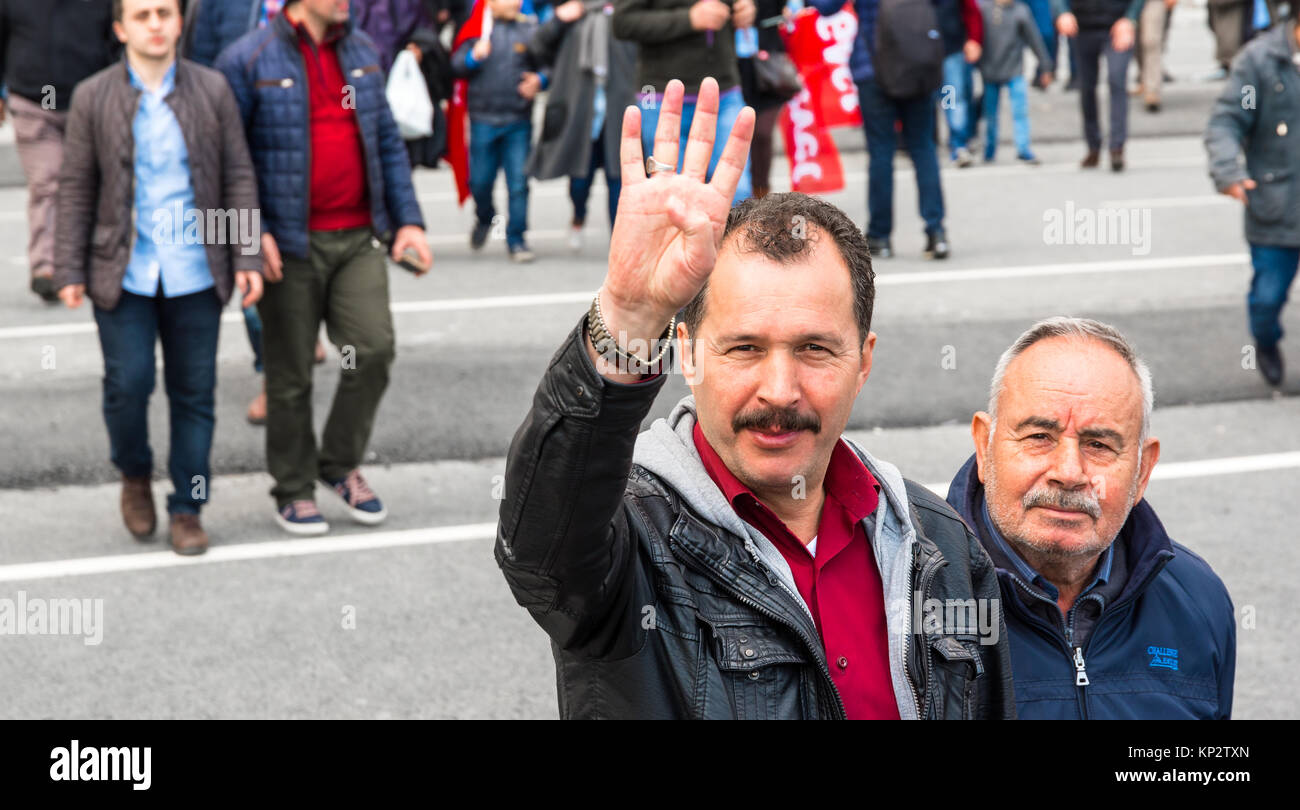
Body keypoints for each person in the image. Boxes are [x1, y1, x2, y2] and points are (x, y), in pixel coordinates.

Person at [495, 77, 1015, 719]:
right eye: (744, 348)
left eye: (815, 350)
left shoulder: (943, 548)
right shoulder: (628, 543)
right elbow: (540, 548)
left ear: (864, 362)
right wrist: (628, 318)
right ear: (685, 352)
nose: (779, 390)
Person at [53, 0, 264, 555]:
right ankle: (135, 474)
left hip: (196, 271)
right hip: (122, 273)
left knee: (194, 394)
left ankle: (188, 506)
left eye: (164, 13)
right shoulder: (92, 96)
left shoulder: (212, 89)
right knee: (129, 384)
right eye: (142, 14)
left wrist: (246, 255)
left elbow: (238, 173)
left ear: (179, 23)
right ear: (121, 27)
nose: (155, 24)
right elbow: (75, 185)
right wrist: (68, 266)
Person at [946, 318, 1236, 719]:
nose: (1069, 472)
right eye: (1038, 437)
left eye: (1098, 445)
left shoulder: (1198, 600)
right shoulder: (908, 601)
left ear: (1142, 471)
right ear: (984, 446)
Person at [217, 0, 432, 535]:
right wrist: (248, 236)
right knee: (289, 376)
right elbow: (229, 158)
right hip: (286, 245)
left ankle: (337, 462)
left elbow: (385, 140)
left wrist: (408, 221)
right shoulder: (247, 58)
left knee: (373, 349)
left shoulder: (362, 51)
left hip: (359, 236)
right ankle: (292, 486)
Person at [182, 0, 328, 426]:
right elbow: (199, 63)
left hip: (304, 147)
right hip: (241, 142)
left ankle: (301, 338)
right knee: (254, 267)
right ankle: (271, 375)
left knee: (306, 261)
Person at [809, 0, 950, 260]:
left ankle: (880, 236)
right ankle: (936, 232)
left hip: (873, 66)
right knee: (923, 147)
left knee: (881, 152)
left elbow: (827, 6)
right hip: (917, 61)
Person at [0, 0, 119, 303]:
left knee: (93, 183)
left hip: (91, 101)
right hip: (34, 103)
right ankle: (47, 267)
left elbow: (117, 42)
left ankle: (94, 260)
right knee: (48, 182)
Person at [1205, 14, 1300, 387]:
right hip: (1275, 205)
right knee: (1266, 300)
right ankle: (1266, 342)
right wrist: (1228, 171)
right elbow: (1227, 120)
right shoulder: (1260, 60)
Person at [612, 0, 756, 203]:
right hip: (658, 94)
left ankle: (734, 236)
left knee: (737, 191)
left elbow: (743, 8)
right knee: (673, 195)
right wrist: (689, 18)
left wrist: (747, 11)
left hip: (724, 89)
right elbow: (622, 23)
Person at [527, 0, 638, 249]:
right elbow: (536, 46)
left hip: (619, 113)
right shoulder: (573, 11)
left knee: (618, 181)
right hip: (581, 113)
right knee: (579, 181)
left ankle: (619, 244)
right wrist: (559, 19)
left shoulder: (627, 12)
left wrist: (648, 103)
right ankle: (578, 216)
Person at [452, 0, 554, 262]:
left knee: (518, 183)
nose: (516, 2)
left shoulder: (530, 30)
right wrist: (473, 57)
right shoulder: (476, 29)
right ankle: (485, 217)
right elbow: (455, 66)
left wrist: (539, 80)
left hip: (517, 120)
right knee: (480, 182)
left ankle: (517, 239)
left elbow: (548, 66)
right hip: (483, 119)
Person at [1052, 0, 1141, 171]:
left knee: (1117, 80)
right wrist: (1062, 12)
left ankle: (1117, 147)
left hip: (1117, 24)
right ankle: (1093, 145)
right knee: (1086, 86)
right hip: (1084, 26)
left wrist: (1130, 19)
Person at [978, 0, 1053, 164]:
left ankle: (1023, 149)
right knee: (990, 115)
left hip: (1014, 70)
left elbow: (1035, 39)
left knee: (1020, 111)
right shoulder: (984, 9)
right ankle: (989, 150)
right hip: (989, 71)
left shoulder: (1021, 11)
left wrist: (1045, 66)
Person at [938, 0, 984, 168]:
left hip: (951, 51)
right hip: (925, 52)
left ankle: (958, 143)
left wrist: (974, 39)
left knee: (952, 98)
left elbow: (971, 11)